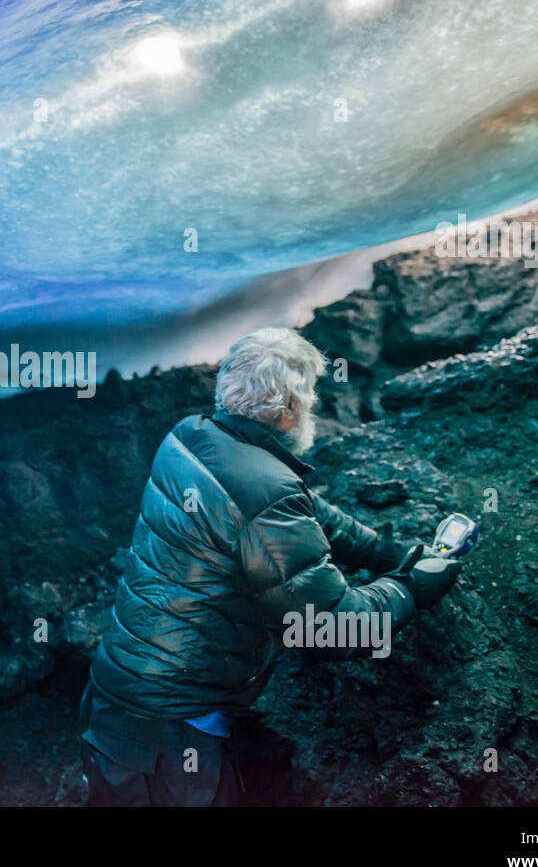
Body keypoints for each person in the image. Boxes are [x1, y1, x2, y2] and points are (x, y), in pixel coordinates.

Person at [78, 327, 463, 805]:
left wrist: (385, 551)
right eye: (310, 397)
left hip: (113, 695)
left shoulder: (189, 438)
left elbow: (302, 512)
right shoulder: (266, 492)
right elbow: (331, 630)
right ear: (288, 410)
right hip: (170, 734)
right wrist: (410, 586)